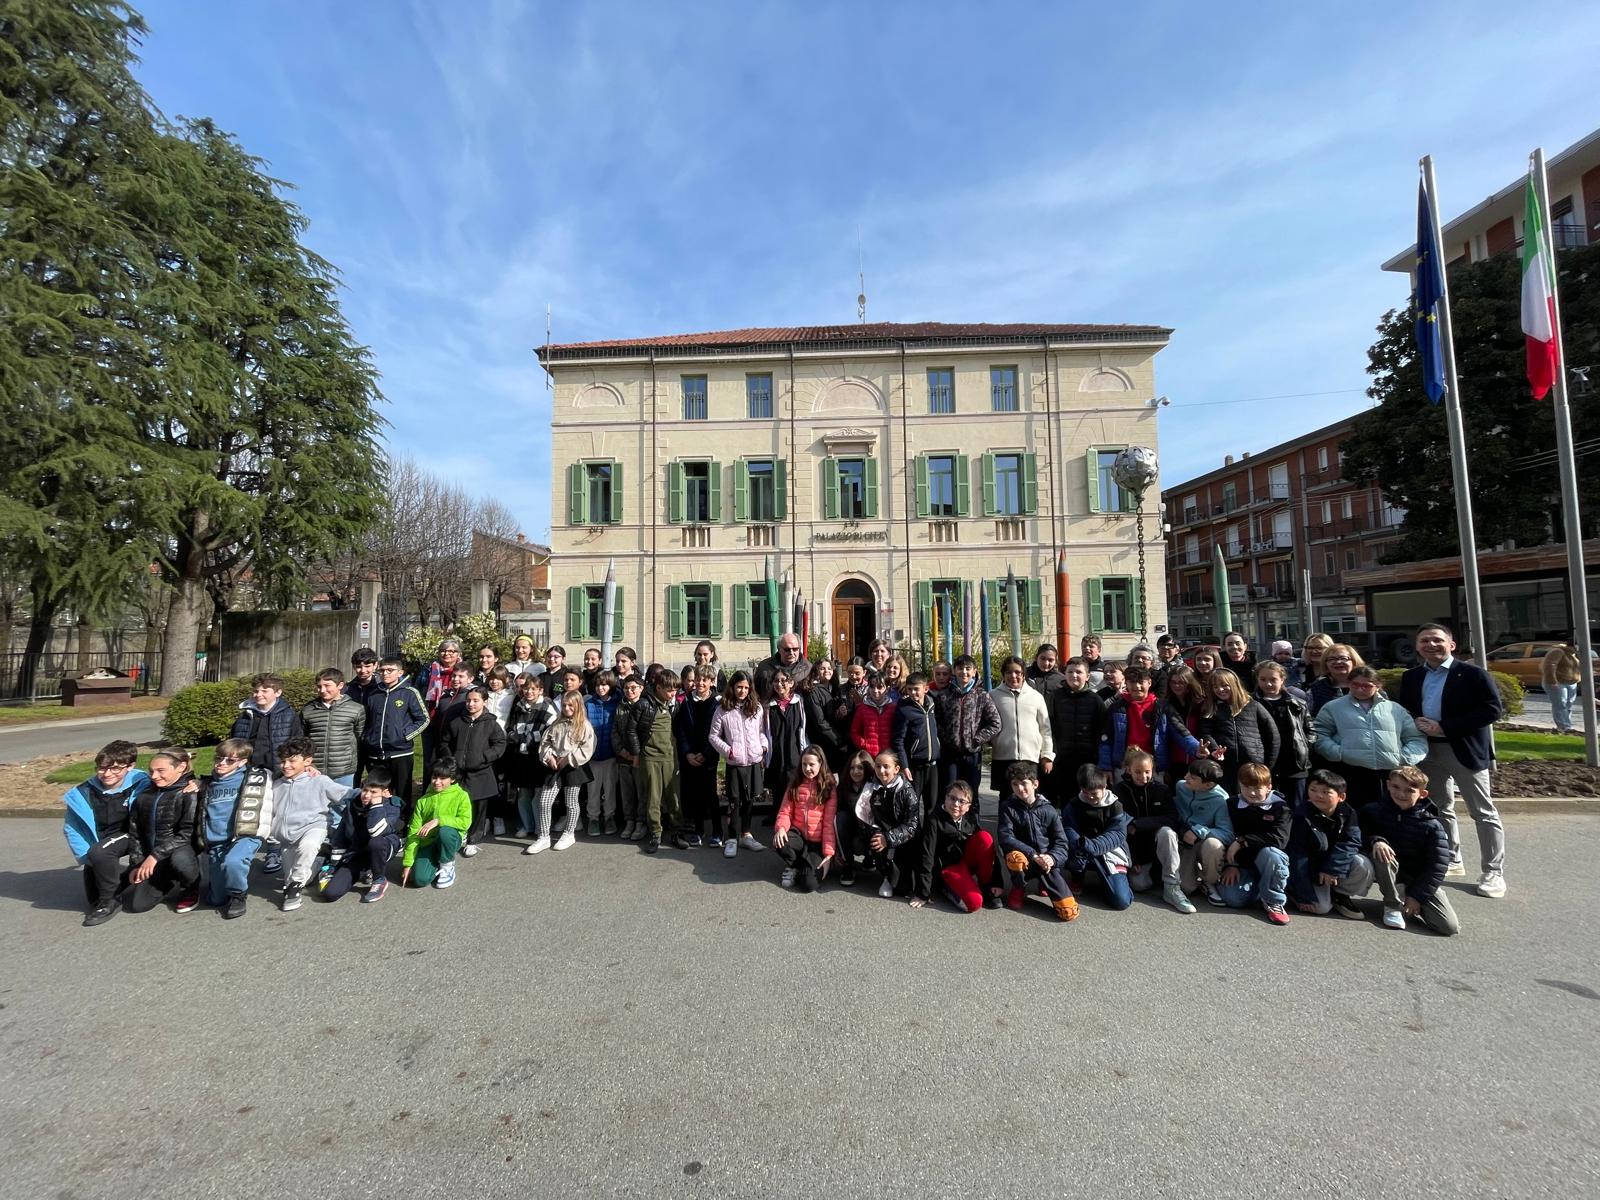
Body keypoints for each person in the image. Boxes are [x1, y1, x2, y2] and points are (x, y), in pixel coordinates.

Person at [1398, 623, 1506, 897]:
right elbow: (1405, 710)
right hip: (1426, 752)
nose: (1431, 645)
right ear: (1418, 646)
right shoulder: (1411, 676)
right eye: (1424, 641)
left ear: (1451, 645)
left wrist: (1445, 726)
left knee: (1483, 811)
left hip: (1463, 749)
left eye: (1437, 640)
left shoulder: (1472, 674)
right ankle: (1451, 858)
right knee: (1440, 807)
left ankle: (1493, 872)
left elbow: (1492, 709)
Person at [1311, 666, 1427, 808]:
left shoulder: (1395, 709)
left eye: (1366, 686)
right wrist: (1337, 753)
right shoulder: (1333, 707)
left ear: (1378, 686)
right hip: (1350, 770)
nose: (1360, 689)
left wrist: (1404, 757)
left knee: (1389, 815)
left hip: (1389, 773)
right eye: (1355, 685)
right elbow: (1319, 732)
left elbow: (1415, 738)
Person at [1363, 764, 1459, 934]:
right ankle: (1392, 905)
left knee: (1448, 926)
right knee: (1383, 852)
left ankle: (1408, 899)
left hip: (1415, 879)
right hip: (1385, 868)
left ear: (1422, 794)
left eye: (1409, 791)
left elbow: (1437, 865)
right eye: (1395, 787)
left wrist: (1417, 896)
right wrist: (1375, 840)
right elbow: (1357, 836)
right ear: (1387, 785)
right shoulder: (1372, 811)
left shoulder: (1431, 824)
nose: (1401, 794)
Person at [63, 740, 150, 927]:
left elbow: (174, 780)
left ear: (131, 766)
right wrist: (86, 857)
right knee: (92, 896)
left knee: (101, 854)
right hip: (100, 842)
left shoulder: (143, 783)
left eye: (116, 769)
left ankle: (110, 901)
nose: (107, 774)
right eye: (101, 768)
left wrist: (195, 783)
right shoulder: (83, 792)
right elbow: (72, 827)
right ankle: (118, 882)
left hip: (131, 834)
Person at [270, 736, 353, 912]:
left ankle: (293, 891)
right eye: (283, 761)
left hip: (314, 826)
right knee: (297, 876)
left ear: (308, 761)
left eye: (292, 761)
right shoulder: (276, 785)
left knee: (307, 848)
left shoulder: (319, 781)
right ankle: (318, 863)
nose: (286, 765)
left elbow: (344, 794)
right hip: (286, 836)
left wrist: (367, 794)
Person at [195, 738, 272, 920]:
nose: (221, 763)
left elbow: (288, 775)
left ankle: (238, 895)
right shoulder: (207, 783)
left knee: (233, 862)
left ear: (243, 762)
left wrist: (310, 769)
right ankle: (227, 887)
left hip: (244, 834)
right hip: (216, 840)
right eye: (218, 758)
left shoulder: (256, 778)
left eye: (229, 760)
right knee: (216, 899)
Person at [120, 748, 202, 916]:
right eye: (151, 771)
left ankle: (190, 887)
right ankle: (169, 879)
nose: (154, 776)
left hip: (178, 850)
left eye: (161, 771)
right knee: (137, 905)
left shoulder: (189, 793)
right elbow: (135, 833)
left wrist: (155, 855)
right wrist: (137, 863)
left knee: (180, 859)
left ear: (181, 767)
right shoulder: (143, 797)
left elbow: (186, 834)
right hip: (154, 857)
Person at [996, 762, 1077, 922]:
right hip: (1026, 858)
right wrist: (1033, 855)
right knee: (1015, 858)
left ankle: (1044, 883)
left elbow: (1062, 843)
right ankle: (1019, 885)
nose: (1020, 788)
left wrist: (1052, 858)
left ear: (1035, 784)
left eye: (1024, 783)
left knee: (1068, 913)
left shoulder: (1049, 810)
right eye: (1015, 784)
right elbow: (1005, 837)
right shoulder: (1007, 807)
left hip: (1046, 862)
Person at [1114, 747, 1192, 914]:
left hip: (1157, 838)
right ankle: (1154, 873)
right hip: (1137, 848)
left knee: (1168, 832)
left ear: (1153, 770)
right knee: (1140, 885)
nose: (1143, 777)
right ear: (1128, 770)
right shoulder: (1120, 790)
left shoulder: (1161, 790)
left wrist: (1138, 824)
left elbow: (1171, 818)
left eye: (1147, 772)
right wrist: (1131, 859)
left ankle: (1172, 887)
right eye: (1138, 772)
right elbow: (1119, 826)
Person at [1287, 768, 1372, 918]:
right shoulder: (1302, 814)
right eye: (1313, 790)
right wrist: (1304, 893)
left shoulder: (1348, 813)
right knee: (1320, 908)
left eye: (1326, 792)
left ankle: (1340, 895)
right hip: (1311, 869)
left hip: (1332, 866)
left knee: (1362, 863)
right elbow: (1297, 856)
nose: (1318, 795)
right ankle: (1294, 892)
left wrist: (1333, 868)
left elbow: (1352, 842)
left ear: (1341, 796)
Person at [1217, 761, 1293, 925]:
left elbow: (1279, 839)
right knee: (1234, 900)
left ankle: (1273, 900)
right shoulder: (1231, 804)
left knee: (1273, 854)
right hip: (1241, 863)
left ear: (1268, 786)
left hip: (1265, 860)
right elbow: (1226, 835)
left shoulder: (1281, 808)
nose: (1251, 793)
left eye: (1257, 788)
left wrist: (1243, 841)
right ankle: (1261, 890)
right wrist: (1231, 865)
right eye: (1246, 787)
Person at [1098, 665, 1200, 784]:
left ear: (1149, 683)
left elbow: (1181, 732)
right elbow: (1106, 739)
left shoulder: (1162, 707)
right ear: (1126, 683)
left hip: (1155, 767)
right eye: (1132, 682)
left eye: (1141, 682)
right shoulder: (1116, 707)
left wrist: (1197, 748)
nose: (1137, 686)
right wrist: (1105, 766)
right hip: (1123, 767)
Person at [319, 770, 404, 904]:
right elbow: (341, 836)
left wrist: (376, 804)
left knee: (376, 843)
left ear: (385, 792)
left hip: (382, 848)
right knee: (330, 893)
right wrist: (334, 865)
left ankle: (379, 879)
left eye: (373, 792)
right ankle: (364, 869)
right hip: (358, 852)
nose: (367, 795)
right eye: (365, 790)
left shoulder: (392, 806)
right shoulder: (353, 805)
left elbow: (376, 830)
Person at [912, 780, 998, 911]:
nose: (956, 804)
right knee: (974, 903)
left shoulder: (970, 818)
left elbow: (988, 850)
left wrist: (998, 882)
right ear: (945, 798)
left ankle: (985, 887)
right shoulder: (934, 820)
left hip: (966, 862)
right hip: (950, 867)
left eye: (962, 801)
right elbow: (926, 855)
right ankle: (947, 888)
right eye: (952, 798)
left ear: (968, 806)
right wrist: (922, 892)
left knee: (985, 837)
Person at [527, 688, 594, 855]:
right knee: (545, 801)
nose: (567, 709)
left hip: (572, 767)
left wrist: (568, 759)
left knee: (571, 802)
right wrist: (548, 756)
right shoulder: (556, 723)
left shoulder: (584, 726)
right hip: (554, 766)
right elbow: (546, 743)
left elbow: (586, 748)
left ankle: (569, 833)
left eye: (571, 706)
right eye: (564, 706)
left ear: (578, 706)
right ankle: (543, 836)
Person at [709, 670, 768, 857]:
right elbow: (713, 736)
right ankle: (732, 837)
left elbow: (761, 731)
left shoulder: (756, 708)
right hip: (735, 762)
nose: (742, 691)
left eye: (745, 687)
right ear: (732, 687)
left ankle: (746, 834)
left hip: (753, 760)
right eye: (739, 687)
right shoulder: (722, 709)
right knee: (734, 800)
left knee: (750, 799)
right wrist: (728, 751)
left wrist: (763, 746)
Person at [359, 656, 428, 814]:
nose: (385, 674)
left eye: (390, 670)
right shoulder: (373, 693)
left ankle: (401, 827)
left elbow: (423, 719)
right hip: (375, 753)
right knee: (377, 790)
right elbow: (366, 720)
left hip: (400, 752)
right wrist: (367, 738)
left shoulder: (409, 693)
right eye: (382, 670)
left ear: (400, 672)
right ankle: (378, 820)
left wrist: (404, 736)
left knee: (401, 792)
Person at [442, 686, 506, 856]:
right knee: (461, 807)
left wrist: (485, 757)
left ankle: (474, 839)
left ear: (485, 702)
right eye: (468, 700)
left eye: (475, 700)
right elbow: (445, 742)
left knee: (479, 808)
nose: (471, 704)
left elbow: (500, 743)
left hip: (481, 773)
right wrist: (451, 760)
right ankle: (460, 834)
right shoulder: (456, 721)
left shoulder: (491, 723)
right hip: (459, 773)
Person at [1061, 765, 1134, 912]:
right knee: (1072, 851)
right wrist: (1080, 844)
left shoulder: (1115, 806)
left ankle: (1113, 881)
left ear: (1104, 786)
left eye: (1094, 793)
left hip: (1109, 851)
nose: (1090, 797)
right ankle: (1077, 877)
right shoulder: (1073, 805)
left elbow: (1117, 835)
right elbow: (1068, 829)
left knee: (1121, 901)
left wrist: (1091, 846)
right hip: (1081, 849)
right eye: (1085, 792)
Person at [1197, 667, 1279, 796]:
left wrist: (1267, 766)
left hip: (1253, 764)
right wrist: (1214, 749)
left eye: (1224, 685)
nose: (1220, 690)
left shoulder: (1253, 705)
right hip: (1225, 765)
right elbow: (1205, 732)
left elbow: (1273, 735)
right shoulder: (1210, 708)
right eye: (1215, 687)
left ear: (1234, 684)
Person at [933, 654, 1001, 799]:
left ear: (974, 671)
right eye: (960, 668)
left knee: (971, 793)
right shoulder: (944, 695)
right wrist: (947, 739)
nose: (964, 672)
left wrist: (976, 739)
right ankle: (949, 822)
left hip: (972, 754)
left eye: (968, 668)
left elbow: (995, 723)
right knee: (949, 792)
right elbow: (936, 722)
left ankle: (972, 821)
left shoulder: (981, 695)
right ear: (954, 671)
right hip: (950, 755)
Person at [635, 664, 687, 854]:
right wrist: (635, 752)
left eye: (675, 689)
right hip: (650, 758)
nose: (673, 693)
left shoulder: (675, 704)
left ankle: (676, 832)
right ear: (658, 688)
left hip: (671, 758)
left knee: (674, 797)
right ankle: (655, 832)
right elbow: (632, 730)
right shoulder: (645, 704)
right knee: (653, 798)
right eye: (669, 690)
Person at [857, 750, 922, 898]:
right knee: (876, 840)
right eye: (878, 766)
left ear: (896, 769)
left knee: (903, 889)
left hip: (904, 840)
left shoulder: (907, 791)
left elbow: (912, 825)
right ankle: (886, 876)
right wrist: (875, 833)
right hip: (881, 834)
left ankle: (901, 875)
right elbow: (864, 815)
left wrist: (889, 838)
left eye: (886, 766)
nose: (881, 770)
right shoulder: (871, 788)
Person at [772, 746, 838, 892]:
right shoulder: (795, 783)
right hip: (799, 836)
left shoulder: (829, 787)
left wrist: (828, 853)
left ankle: (806, 866)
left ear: (821, 764)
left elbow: (828, 823)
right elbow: (785, 811)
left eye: (812, 764)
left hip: (817, 842)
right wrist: (781, 828)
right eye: (804, 764)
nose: (807, 768)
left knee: (809, 885)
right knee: (780, 841)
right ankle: (795, 866)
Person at [402, 757, 472, 890]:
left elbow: (465, 822)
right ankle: (436, 861)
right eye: (434, 777)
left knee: (444, 830)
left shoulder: (461, 796)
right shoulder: (423, 801)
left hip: (450, 838)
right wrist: (408, 864)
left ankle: (447, 864)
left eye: (442, 778)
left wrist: (439, 820)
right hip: (428, 842)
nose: (437, 782)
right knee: (419, 880)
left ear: (452, 779)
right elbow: (413, 834)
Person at [989, 656, 1054, 793]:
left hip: (1030, 757)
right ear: (1003, 674)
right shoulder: (993, 696)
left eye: (1018, 672)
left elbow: (1045, 728)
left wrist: (1047, 755)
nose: (1013, 676)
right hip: (1003, 757)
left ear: (1024, 674)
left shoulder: (1036, 696)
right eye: (1008, 672)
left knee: (1029, 796)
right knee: (1006, 797)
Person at [1173, 758, 1232, 905]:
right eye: (1188, 773)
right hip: (1183, 839)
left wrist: (1200, 831)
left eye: (1192, 778)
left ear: (1208, 785)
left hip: (1201, 841)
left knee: (1213, 845)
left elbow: (1227, 834)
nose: (1186, 778)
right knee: (1186, 887)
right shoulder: (1181, 786)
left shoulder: (1221, 800)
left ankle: (1209, 881)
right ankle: (1190, 875)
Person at [673, 665, 720, 846]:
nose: (700, 683)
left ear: (711, 682)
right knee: (695, 794)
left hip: (708, 755)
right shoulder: (686, 702)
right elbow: (681, 730)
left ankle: (717, 831)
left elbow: (717, 731)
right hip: (690, 756)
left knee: (710, 794)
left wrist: (705, 753)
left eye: (704, 680)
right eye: (697, 679)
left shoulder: (716, 702)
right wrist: (687, 753)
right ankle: (698, 830)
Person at [1253, 661, 1312, 802]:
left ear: (1282, 680)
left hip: (1294, 765)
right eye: (1263, 679)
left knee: (1296, 807)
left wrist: (1304, 746)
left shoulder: (1297, 703)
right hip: (1264, 764)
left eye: (1273, 680)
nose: (1268, 684)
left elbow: (1310, 729)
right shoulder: (1250, 703)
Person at [229, 672, 302, 776]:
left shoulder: (289, 716)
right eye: (256, 691)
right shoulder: (245, 716)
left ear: (278, 693)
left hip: (277, 772)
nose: (258, 695)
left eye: (264, 691)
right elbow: (233, 743)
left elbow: (297, 745)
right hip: (246, 771)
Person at [302, 668, 365, 787]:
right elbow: (303, 739)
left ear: (340, 685)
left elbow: (359, 738)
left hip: (343, 772)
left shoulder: (356, 709)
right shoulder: (308, 709)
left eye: (327, 685)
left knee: (342, 805)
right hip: (315, 771)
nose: (322, 690)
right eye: (319, 686)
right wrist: (308, 764)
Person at [891, 672, 941, 814]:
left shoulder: (932, 704)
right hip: (914, 766)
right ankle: (915, 836)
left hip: (932, 765)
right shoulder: (904, 709)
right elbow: (898, 740)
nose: (913, 693)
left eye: (916, 689)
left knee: (931, 807)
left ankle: (929, 836)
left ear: (925, 689)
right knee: (912, 806)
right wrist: (904, 765)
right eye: (909, 689)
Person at [414, 638, 465, 775]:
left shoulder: (464, 671)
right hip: (431, 721)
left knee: (451, 760)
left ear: (458, 653)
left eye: (451, 651)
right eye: (443, 650)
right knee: (429, 761)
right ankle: (428, 790)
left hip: (454, 722)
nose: (447, 654)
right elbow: (417, 692)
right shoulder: (428, 671)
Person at [584, 670, 622, 837]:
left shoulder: (617, 703)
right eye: (598, 685)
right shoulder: (589, 703)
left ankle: (609, 817)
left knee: (610, 788)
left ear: (611, 686)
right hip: (592, 756)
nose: (601, 688)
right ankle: (592, 818)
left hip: (611, 755)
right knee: (593, 789)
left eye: (605, 685)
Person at [611, 674, 645, 840]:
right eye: (626, 688)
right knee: (627, 792)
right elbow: (615, 732)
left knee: (641, 791)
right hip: (623, 758)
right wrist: (622, 751)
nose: (629, 691)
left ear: (641, 688)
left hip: (640, 759)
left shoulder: (646, 706)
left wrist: (637, 754)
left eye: (633, 688)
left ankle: (640, 822)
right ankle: (629, 821)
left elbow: (646, 733)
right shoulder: (620, 707)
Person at [833, 750, 874, 887]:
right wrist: (835, 848)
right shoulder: (843, 787)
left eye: (860, 768)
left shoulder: (875, 785)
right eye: (852, 767)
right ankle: (848, 865)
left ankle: (870, 859)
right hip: (851, 832)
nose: (855, 771)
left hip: (868, 833)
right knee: (839, 817)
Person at [801, 659, 849, 774]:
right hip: (823, 743)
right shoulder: (813, 692)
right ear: (816, 671)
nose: (826, 671)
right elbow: (820, 722)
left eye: (829, 668)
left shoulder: (835, 689)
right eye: (822, 668)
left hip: (835, 742)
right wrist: (839, 742)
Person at [849, 671, 896, 758]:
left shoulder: (893, 708)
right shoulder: (862, 709)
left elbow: (899, 733)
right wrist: (866, 746)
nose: (875, 690)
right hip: (869, 757)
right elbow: (854, 732)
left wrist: (892, 748)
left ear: (887, 689)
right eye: (872, 686)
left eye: (879, 687)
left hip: (888, 757)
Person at [1307, 644, 1363, 716]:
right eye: (1332, 659)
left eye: (1343, 658)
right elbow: (1307, 718)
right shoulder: (1316, 689)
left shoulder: (1366, 685)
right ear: (1326, 664)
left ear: (1354, 661)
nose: (1338, 662)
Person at [754, 634, 810, 700]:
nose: (791, 653)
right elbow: (754, 692)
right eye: (787, 649)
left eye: (795, 649)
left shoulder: (808, 669)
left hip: (798, 709)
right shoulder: (764, 667)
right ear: (779, 649)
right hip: (768, 708)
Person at [1541, 642, 1582, 735]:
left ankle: (1566, 725)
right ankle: (1564, 727)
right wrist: (1552, 680)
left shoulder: (1572, 654)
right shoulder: (1558, 652)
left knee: (1568, 704)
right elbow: (1550, 665)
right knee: (1560, 704)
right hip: (1558, 682)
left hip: (1571, 682)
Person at [1152, 635, 1183, 699]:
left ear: (1177, 650)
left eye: (1170, 645)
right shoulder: (1152, 666)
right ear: (1158, 648)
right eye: (1162, 645)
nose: (1165, 647)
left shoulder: (1183, 668)